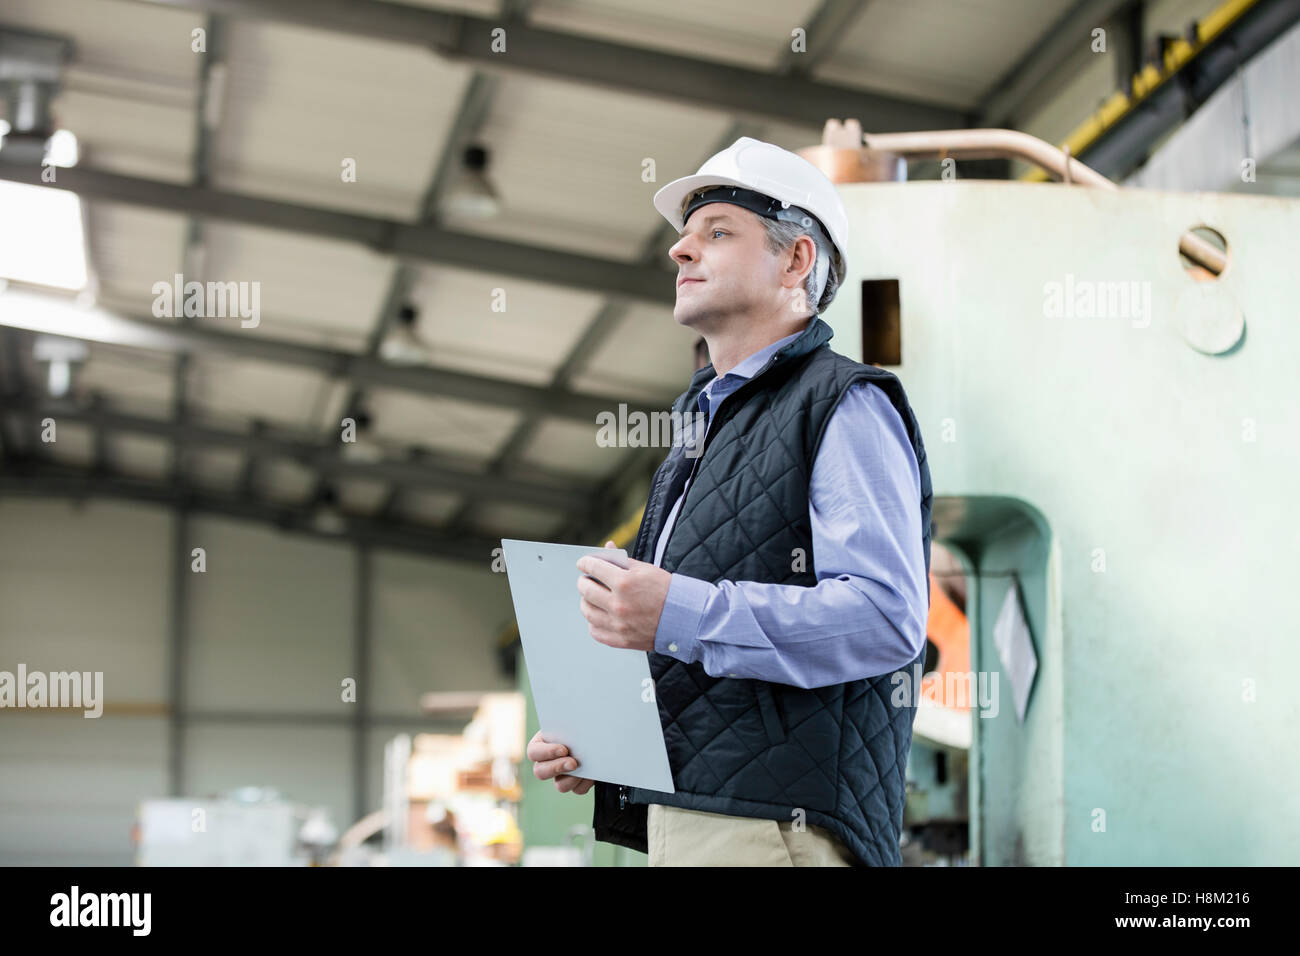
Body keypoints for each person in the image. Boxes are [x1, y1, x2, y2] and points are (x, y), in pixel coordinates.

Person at [528, 137, 933, 866]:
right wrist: (604, 741)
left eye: (717, 231)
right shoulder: (700, 429)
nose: (681, 252)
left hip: (778, 827)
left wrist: (682, 610)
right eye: (684, 236)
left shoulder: (841, 402)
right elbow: (681, 640)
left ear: (796, 259)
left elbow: (885, 615)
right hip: (698, 819)